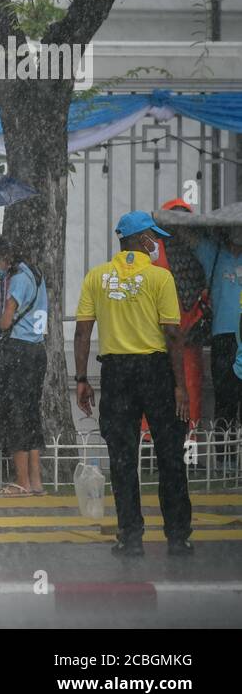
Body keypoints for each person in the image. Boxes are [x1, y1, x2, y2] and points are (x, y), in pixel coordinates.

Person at [75, 211, 192, 557]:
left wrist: (81, 379)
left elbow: (83, 331)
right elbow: (172, 333)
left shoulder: (97, 277)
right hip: (156, 371)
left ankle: (130, 537)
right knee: (170, 455)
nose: (156, 244)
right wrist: (180, 386)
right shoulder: (160, 278)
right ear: (141, 240)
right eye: (153, 238)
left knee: (123, 458)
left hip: (116, 374)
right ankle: (177, 537)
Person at [0, 238, 49, 497]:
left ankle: (21, 481)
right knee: (31, 415)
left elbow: (4, 322)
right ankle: (35, 482)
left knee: (17, 417)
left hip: (18, 352)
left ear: (6, 259)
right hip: (36, 351)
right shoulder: (34, 273)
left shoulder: (18, 280)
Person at [154, 199, 207, 425]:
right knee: (179, 395)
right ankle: (159, 450)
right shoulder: (156, 254)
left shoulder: (200, 252)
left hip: (180, 339)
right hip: (166, 338)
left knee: (188, 395)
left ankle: (186, 450)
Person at [193, 226, 242, 450]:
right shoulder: (214, 253)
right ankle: (225, 457)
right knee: (225, 399)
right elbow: (189, 238)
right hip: (223, 335)